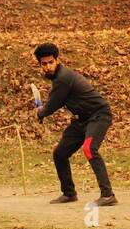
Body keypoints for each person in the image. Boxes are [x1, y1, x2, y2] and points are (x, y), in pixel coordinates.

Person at [33, 42, 117, 206]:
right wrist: (42, 111)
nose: (48, 66)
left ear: (57, 60)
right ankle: (69, 193)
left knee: (89, 149)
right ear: (39, 64)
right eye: (44, 64)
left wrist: (40, 112)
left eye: (51, 62)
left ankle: (108, 195)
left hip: (99, 115)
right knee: (60, 153)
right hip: (82, 119)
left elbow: (52, 105)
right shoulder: (58, 78)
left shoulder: (63, 78)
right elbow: (53, 102)